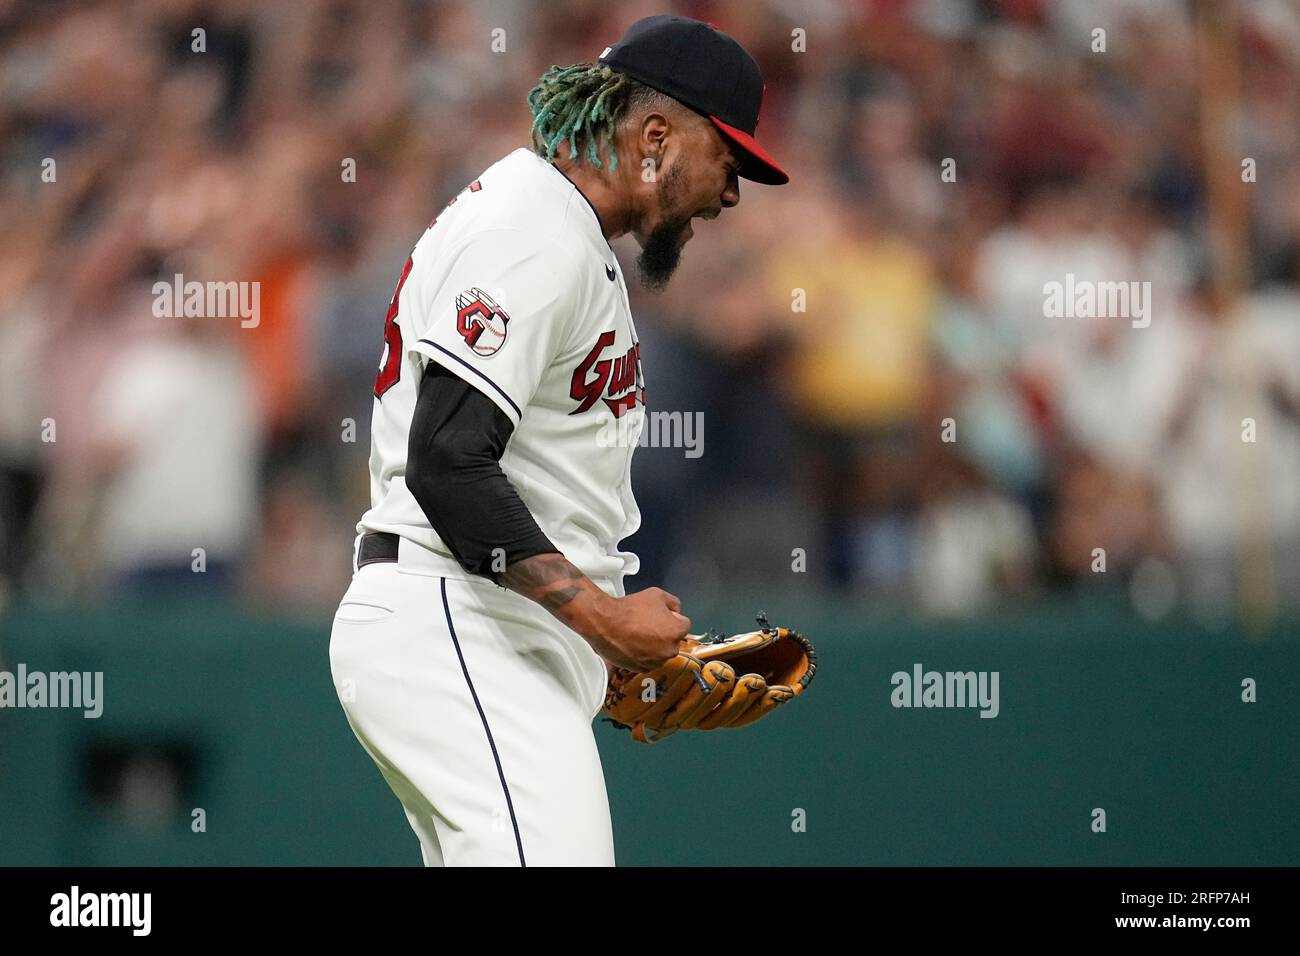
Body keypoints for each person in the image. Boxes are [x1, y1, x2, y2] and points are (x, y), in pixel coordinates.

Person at [329, 15, 788, 866]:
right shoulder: (531, 228)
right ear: (656, 135)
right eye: (727, 160)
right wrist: (603, 618)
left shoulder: (563, 234)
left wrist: (592, 644)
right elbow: (447, 458)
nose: (731, 194)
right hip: (459, 622)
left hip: (486, 631)